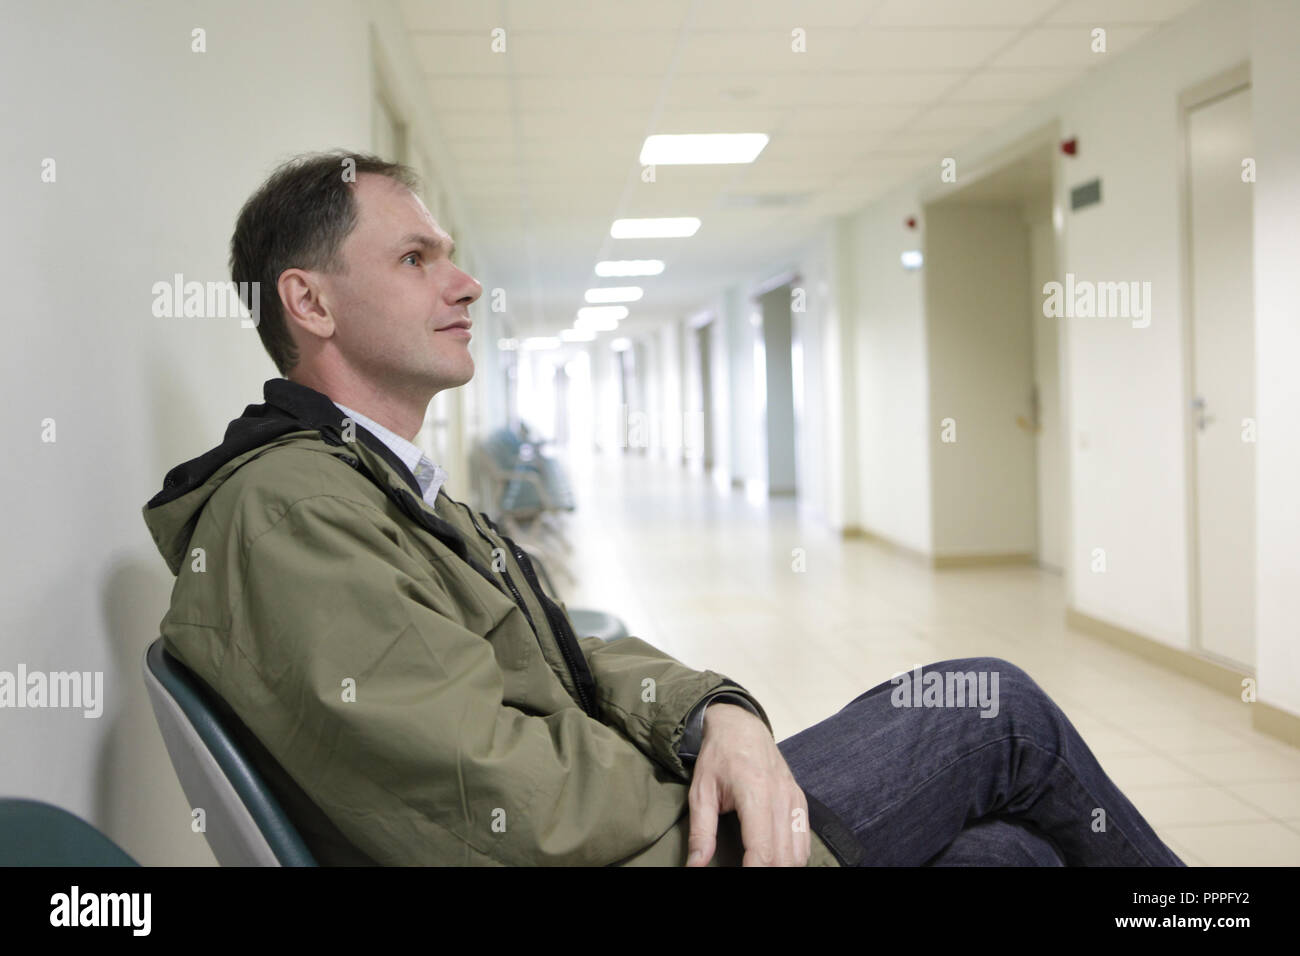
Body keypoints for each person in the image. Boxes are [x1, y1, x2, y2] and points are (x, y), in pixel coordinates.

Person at [142, 151, 1185, 867]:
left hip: (637, 834)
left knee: (1009, 853)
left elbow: (566, 654)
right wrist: (696, 794)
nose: (463, 284)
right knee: (987, 704)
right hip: (639, 853)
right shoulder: (290, 511)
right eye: (415, 259)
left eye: (450, 253)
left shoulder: (379, 481)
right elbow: (497, 795)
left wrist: (710, 715)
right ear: (309, 302)